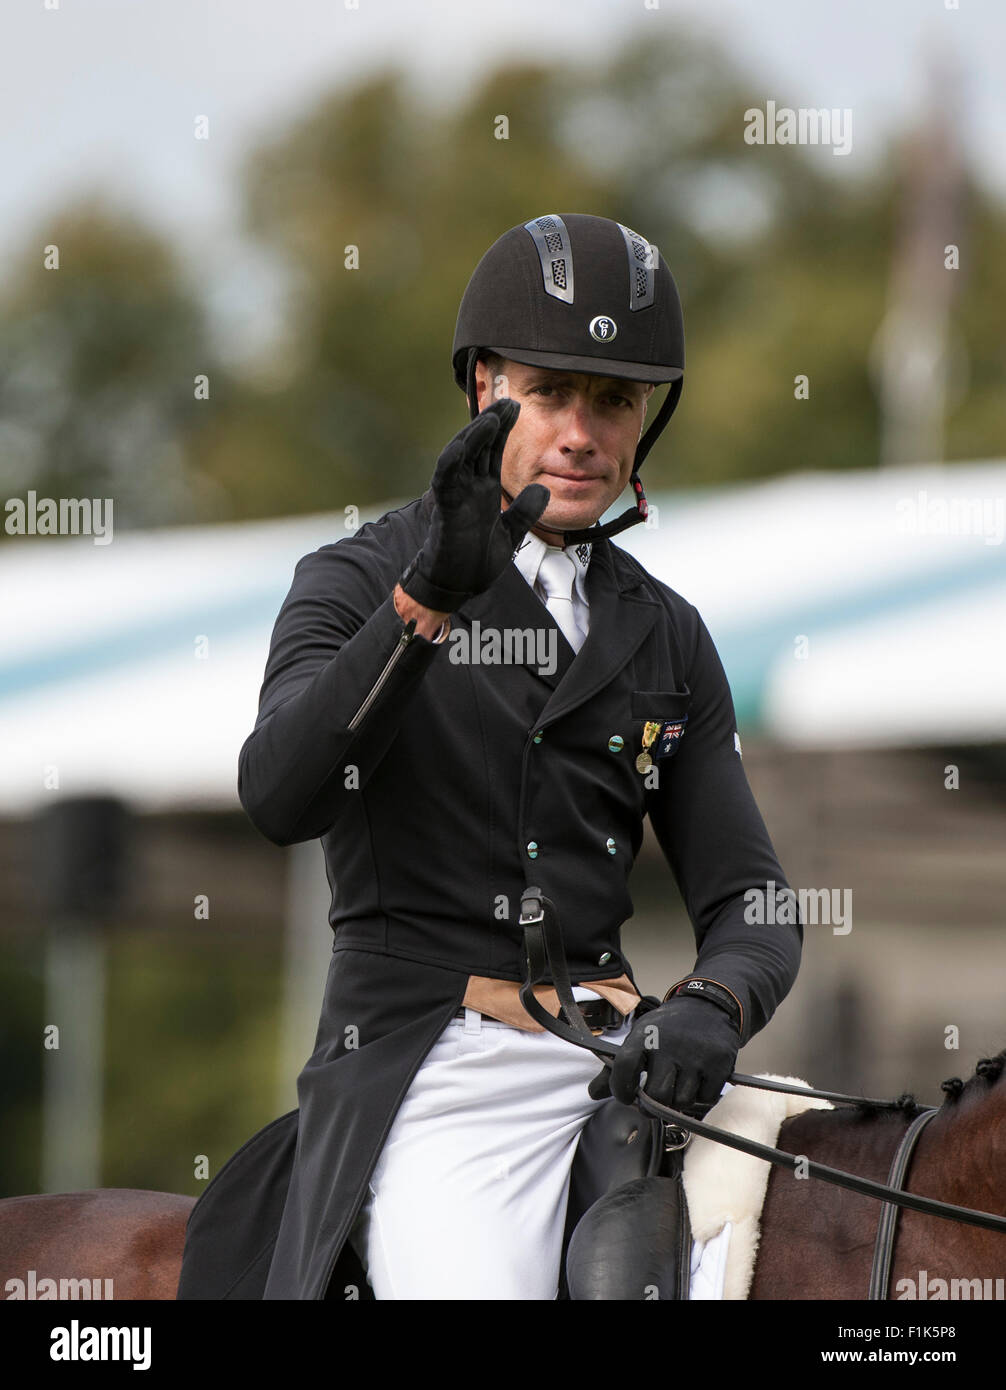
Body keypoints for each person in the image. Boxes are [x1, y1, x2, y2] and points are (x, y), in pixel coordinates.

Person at [179, 213, 802, 1302]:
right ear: (483, 388)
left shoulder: (667, 632)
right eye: (551, 390)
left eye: (612, 400)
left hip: (623, 1062)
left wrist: (712, 1002)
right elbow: (280, 792)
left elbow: (751, 894)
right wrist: (426, 598)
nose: (581, 431)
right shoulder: (351, 578)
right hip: (438, 1070)